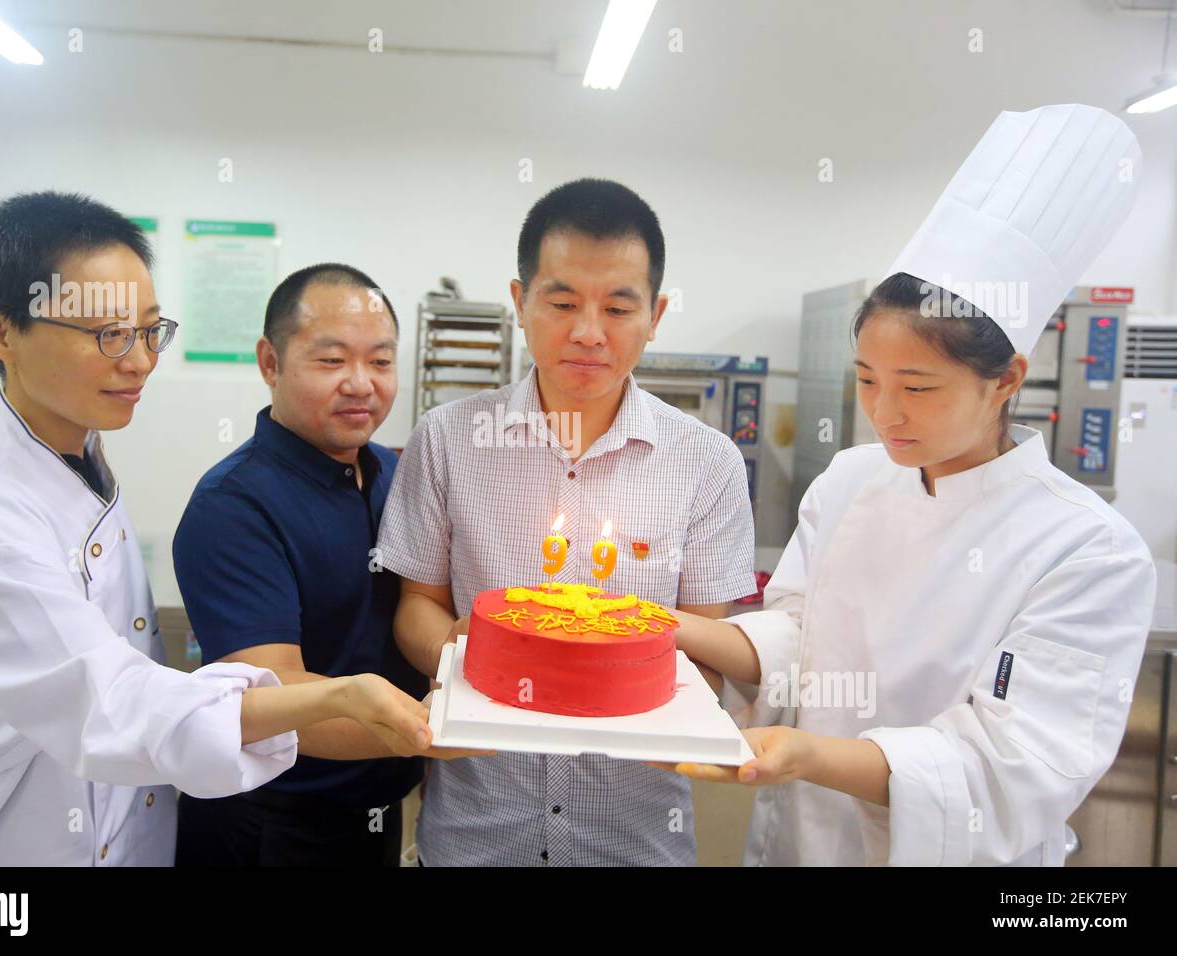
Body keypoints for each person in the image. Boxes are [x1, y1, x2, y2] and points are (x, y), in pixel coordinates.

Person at [663, 105, 1157, 866]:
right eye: (867, 379)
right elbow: (802, 637)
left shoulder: (1088, 549)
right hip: (802, 840)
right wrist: (659, 624)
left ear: (1006, 380)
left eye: (918, 387)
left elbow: (1013, 766)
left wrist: (813, 754)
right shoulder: (853, 478)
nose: (885, 413)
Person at [0, 193, 431, 866]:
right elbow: (112, 705)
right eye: (107, 334)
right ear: (1, 332)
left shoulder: (76, 460)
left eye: (148, 331)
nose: (139, 361)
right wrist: (346, 698)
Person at [376, 178, 757, 866]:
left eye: (618, 307)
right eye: (561, 302)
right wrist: (462, 653)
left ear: (656, 314)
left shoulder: (707, 463)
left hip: (632, 838)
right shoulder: (448, 440)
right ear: (520, 303)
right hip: (477, 832)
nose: (588, 332)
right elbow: (416, 605)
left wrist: (602, 669)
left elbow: (702, 649)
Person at [173, 264, 465, 867]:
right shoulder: (233, 507)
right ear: (271, 362)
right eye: (332, 360)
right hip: (270, 823)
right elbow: (275, 696)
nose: (361, 383)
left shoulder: (391, 473)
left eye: (380, 361)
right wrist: (439, 728)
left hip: (378, 803)